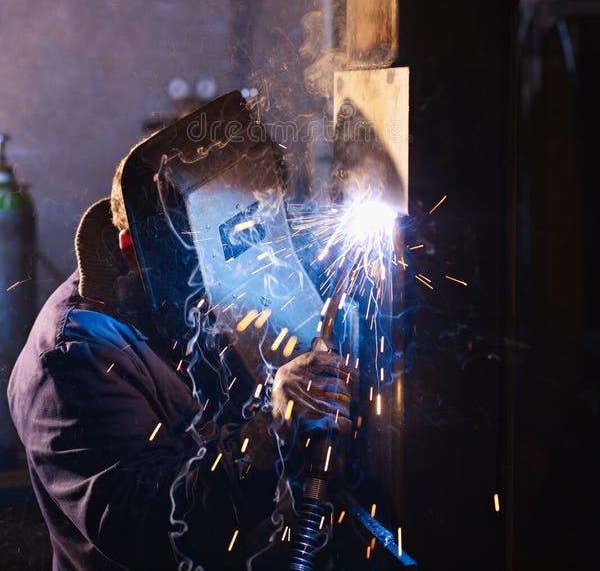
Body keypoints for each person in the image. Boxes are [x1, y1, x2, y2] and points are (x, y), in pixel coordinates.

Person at [7, 95, 353, 570]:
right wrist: (268, 430)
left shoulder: (191, 283)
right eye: (193, 263)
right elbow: (154, 530)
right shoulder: (71, 361)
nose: (212, 282)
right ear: (132, 250)